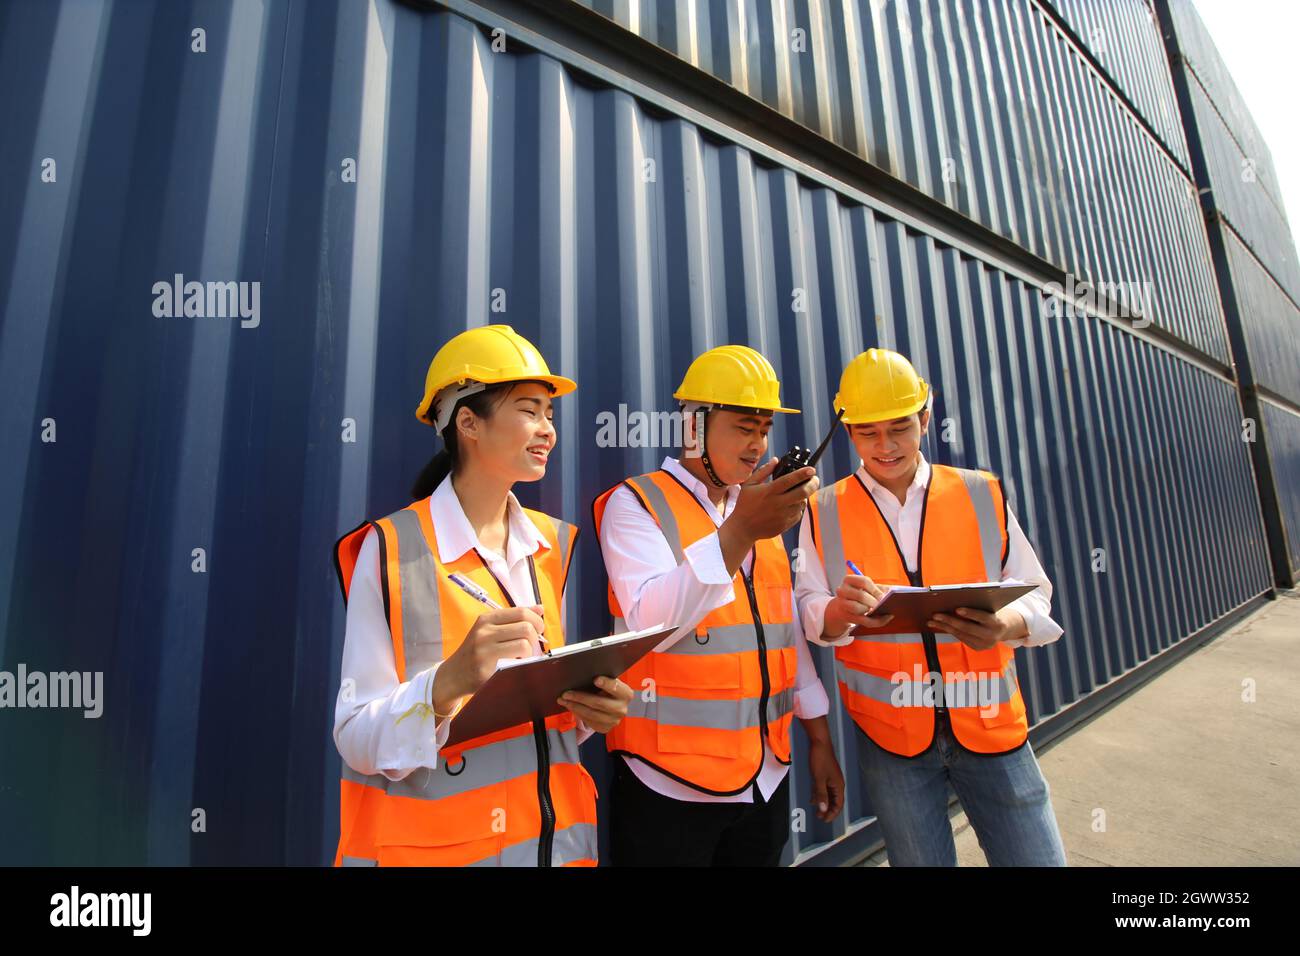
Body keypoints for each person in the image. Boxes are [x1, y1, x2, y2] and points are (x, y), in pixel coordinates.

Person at [331, 324, 633, 867]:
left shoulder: (549, 545)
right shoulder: (391, 549)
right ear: (468, 422)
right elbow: (355, 737)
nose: (547, 430)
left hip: (556, 851)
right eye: (529, 410)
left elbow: (532, 721)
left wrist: (587, 712)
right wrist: (447, 684)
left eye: (549, 413)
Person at [796, 347, 1067, 866]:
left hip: (989, 724)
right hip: (892, 738)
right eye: (868, 432)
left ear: (925, 416)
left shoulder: (978, 491)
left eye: (899, 427)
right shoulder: (822, 509)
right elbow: (808, 607)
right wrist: (838, 613)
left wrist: (1005, 624)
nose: (885, 445)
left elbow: (1035, 590)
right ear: (848, 432)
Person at [592, 345, 845, 866]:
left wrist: (819, 736)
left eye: (765, 429)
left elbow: (784, 634)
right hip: (668, 786)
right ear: (693, 428)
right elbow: (651, 622)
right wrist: (740, 532)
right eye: (743, 427)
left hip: (765, 777)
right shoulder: (636, 504)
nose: (757, 445)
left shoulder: (760, 510)